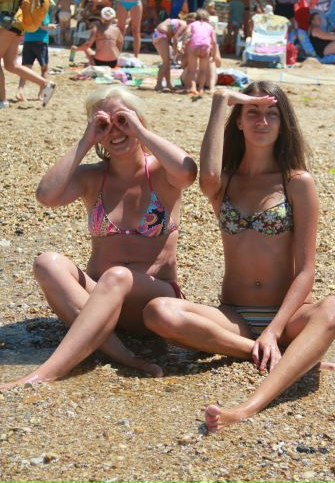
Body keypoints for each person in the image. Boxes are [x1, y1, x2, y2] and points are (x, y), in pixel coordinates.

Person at [144, 81, 335, 432]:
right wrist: (220, 100)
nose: (262, 121)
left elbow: (306, 271)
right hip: (234, 317)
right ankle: (266, 352)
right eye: (252, 112)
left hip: (288, 317)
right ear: (238, 121)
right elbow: (207, 175)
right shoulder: (224, 181)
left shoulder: (297, 182)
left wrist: (274, 330)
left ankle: (248, 405)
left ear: (283, 123)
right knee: (158, 311)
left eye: (272, 114)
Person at [0, 85, 197, 390]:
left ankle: (48, 371)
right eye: (104, 124)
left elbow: (188, 171)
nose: (114, 131)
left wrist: (140, 131)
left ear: (137, 119)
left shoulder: (162, 172)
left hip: (152, 302)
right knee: (46, 263)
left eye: (122, 120)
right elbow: (46, 196)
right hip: (97, 302)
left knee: (117, 276)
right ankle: (121, 354)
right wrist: (85, 140)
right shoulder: (93, 176)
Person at [0, 0, 55, 109]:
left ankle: (2, 100)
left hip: (8, 20)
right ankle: (46, 83)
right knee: (10, 64)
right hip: (17, 20)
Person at [16, 10, 57, 102]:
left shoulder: (28, 9)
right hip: (40, 41)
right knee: (44, 69)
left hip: (28, 40)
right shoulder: (43, 10)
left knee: (26, 68)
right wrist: (52, 26)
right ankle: (41, 94)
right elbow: (43, 25)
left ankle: (20, 91)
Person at [185, 9, 217, 95]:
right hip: (205, 47)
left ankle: (193, 87)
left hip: (194, 46)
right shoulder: (210, 27)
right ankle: (201, 88)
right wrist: (214, 55)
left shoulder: (192, 24)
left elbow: (187, 34)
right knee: (203, 70)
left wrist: (186, 42)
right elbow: (214, 42)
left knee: (192, 69)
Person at [152, 17, 187, 91]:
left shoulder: (177, 22)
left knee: (167, 62)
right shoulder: (184, 24)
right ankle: (158, 84)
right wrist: (175, 52)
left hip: (158, 34)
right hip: (162, 35)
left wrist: (175, 49)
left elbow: (172, 35)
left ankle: (168, 84)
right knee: (166, 62)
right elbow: (175, 38)